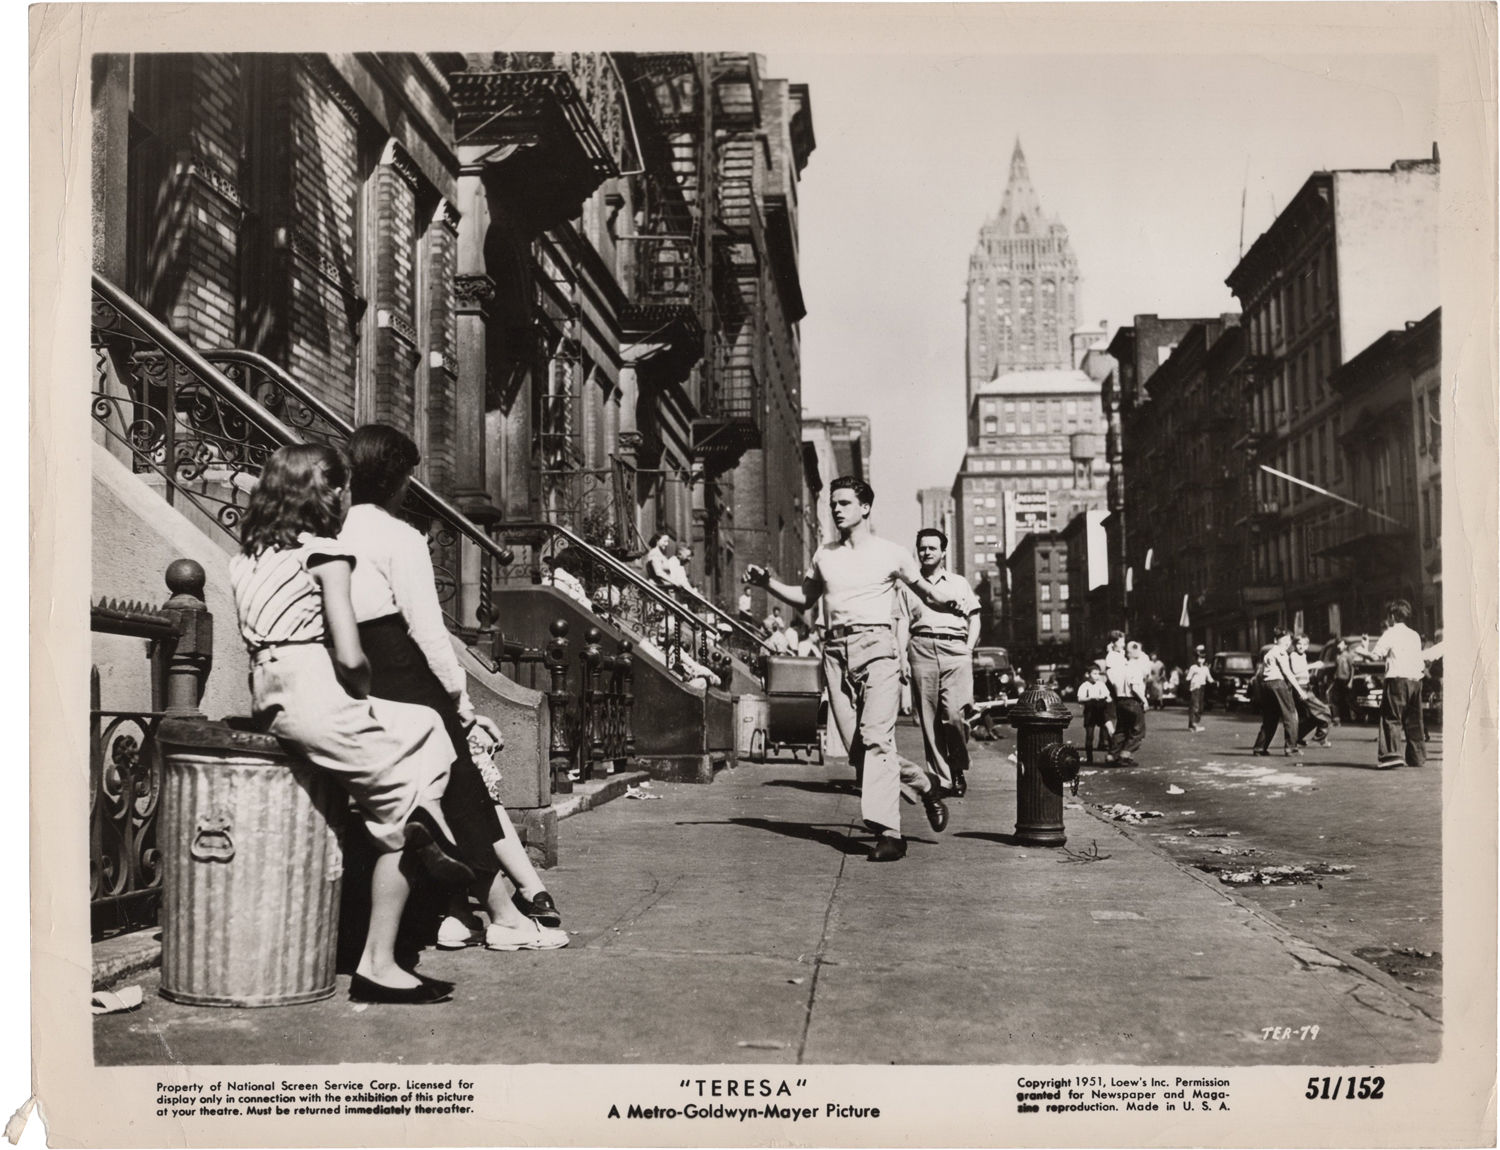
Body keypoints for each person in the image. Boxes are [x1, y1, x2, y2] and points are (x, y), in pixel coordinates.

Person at [228, 443, 472, 1005]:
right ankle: (379, 962)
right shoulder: (327, 556)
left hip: (272, 691)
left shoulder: (246, 559)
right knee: (411, 810)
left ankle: (424, 834)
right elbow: (352, 658)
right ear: (331, 494)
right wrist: (361, 692)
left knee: (428, 726)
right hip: (318, 693)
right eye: (341, 489)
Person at [339, 425, 569, 953]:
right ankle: (505, 915)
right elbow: (427, 633)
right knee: (463, 787)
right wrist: (461, 706)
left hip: (354, 681)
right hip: (399, 671)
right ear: (400, 481)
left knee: (450, 790)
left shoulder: (336, 533)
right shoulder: (400, 537)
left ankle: (487, 911)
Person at [745, 477, 956, 862]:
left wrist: (951, 604)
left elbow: (926, 592)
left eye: (844, 503)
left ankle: (889, 834)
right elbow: (805, 599)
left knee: (876, 739)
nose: (837, 509)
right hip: (835, 653)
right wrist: (768, 583)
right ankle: (926, 785)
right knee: (860, 752)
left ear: (865, 508)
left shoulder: (890, 553)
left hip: (877, 650)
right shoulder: (825, 555)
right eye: (833, 504)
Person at [902, 528, 982, 797]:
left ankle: (957, 765)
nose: (926, 552)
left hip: (955, 649)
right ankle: (944, 779)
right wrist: (903, 656)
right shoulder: (908, 586)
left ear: (943, 552)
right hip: (921, 649)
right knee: (929, 719)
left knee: (954, 715)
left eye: (932, 548)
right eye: (922, 548)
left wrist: (968, 649)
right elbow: (902, 622)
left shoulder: (959, 583)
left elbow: (975, 618)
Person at [1365, 599, 1426, 769]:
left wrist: (1363, 650)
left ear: (1392, 616)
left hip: (1397, 679)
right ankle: (1417, 757)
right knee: (1414, 719)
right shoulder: (1414, 634)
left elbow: (1375, 656)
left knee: (1391, 717)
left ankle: (1392, 755)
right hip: (1415, 680)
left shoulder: (1390, 633)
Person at [1251, 628, 1304, 756]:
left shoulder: (1269, 653)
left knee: (1270, 717)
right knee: (1291, 715)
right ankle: (1291, 747)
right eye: (1285, 640)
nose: (1287, 642)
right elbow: (1287, 672)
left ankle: (1260, 747)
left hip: (1266, 685)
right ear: (1278, 641)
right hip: (1277, 684)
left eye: (1289, 640)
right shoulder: (1281, 652)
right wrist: (1299, 689)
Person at [1111, 641, 1151, 765]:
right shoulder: (1135, 668)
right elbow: (1135, 686)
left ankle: (1112, 755)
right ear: (1133, 651)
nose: (1141, 652)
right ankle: (1125, 754)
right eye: (1139, 650)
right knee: (1137, 730)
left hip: (1120, 700)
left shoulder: (1120, 667)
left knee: (1121, 729)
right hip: (1132, 701)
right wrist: (1144, 700)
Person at [1289, 633, 1331, 748]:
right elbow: (1296, 670)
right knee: (1325, 710)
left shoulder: (1303, 656)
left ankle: (1296, 737)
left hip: (1307, 687)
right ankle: (1320, 738)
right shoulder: (1293, 655)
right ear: (1294, 645)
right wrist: (1313, 665)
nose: (1301, 647)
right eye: (1299, 644)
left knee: (1312, 716)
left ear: (1307, 646)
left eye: (1304, 644)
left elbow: (1303, 672)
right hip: (1300, 689)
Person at [1076, 665, 1111, 763]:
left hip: (1101, 710)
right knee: (1089, 735)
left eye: (1098, 674)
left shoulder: (1101, 684)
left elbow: (1108, 697)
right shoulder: (1085, 685)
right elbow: (1080, 699)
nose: (1097, 676)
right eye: (1094, 674)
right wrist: (1091, 698)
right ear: (1088, 675)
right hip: (1090, 711)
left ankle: (1112, 754)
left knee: (1108, 731)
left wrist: (1106, 699)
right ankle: (1089, 758)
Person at [1101, 631, 1127, 759]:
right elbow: (1110, 674)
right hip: (1114, 689)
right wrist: (1118, 689)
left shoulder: (1120, 654)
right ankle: (1113, 742)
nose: (1124, 643)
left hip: (1121, 688)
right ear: (1113, 643)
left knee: (1118, 717)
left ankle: (1115, 747)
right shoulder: (1111, 656)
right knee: (1110, 716)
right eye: (1121, 641)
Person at [1183, 646, 1213, 732]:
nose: (1201, 660)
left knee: (1200, 707)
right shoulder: (1193, 668)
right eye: (1200, 658)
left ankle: (1194, 723)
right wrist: (1189, 679)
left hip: (1202, 688)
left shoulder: (1205, 668)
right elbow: (1188, 678)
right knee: (1195, 706)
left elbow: (1209, 678)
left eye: (1203, 658)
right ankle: (1193, 725)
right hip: (1195, 688)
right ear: (1197, 658)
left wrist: (1214, 682)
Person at [1331, 638, 1355, 725]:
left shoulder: (1348, 655)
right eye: (1338, 644)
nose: (1339, 646)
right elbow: (1337, 667)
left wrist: (1350, 681)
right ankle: (1337, 719)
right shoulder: (1337, 656)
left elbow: (1352, 668)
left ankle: (1351, 718)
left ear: (1345, 646)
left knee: (1348, 700)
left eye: (1340, 644)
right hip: (1338, 680)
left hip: (1346, 680)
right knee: (1335, 699)